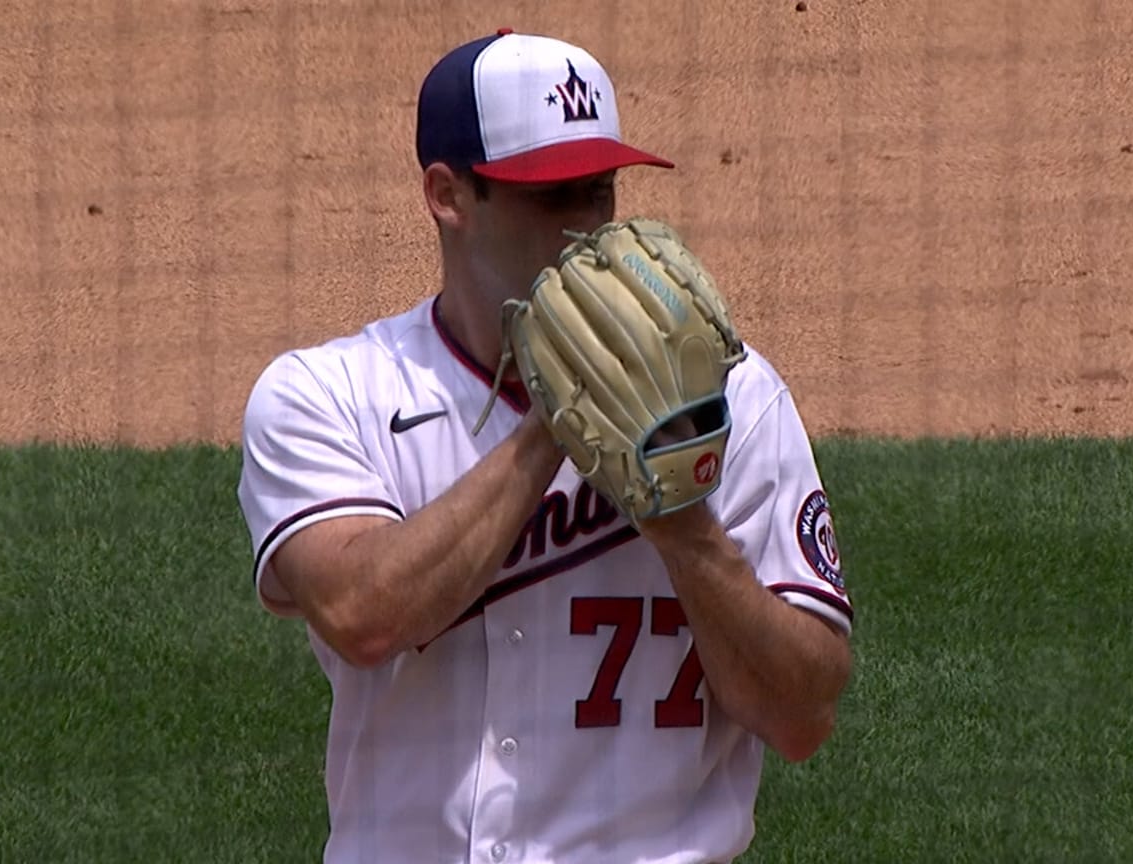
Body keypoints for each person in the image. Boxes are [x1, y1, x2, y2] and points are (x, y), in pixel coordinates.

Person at [236, 28, 854, 864]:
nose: (586, 227)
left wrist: (683, 525)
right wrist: (556, 424)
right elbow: (363, 615)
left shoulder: (730, 396)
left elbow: (802, 716)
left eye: (597, 191)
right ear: (447, 195)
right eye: (550, 194)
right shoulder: (330, 395)